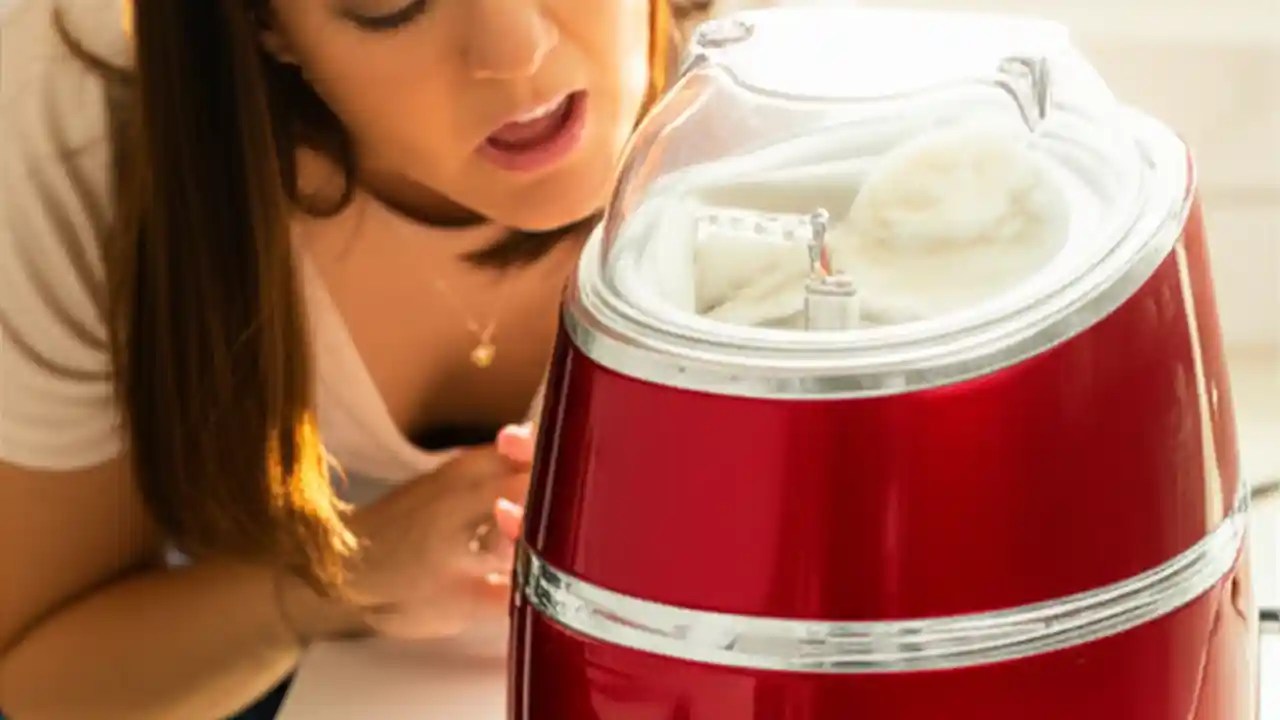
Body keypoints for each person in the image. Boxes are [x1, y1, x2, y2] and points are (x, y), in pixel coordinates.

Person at [0, 0, 712, 717]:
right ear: (263, 23)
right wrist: (336, 580)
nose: (516, 51)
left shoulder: (762, 76)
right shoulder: (83, 131)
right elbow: (37, 682)